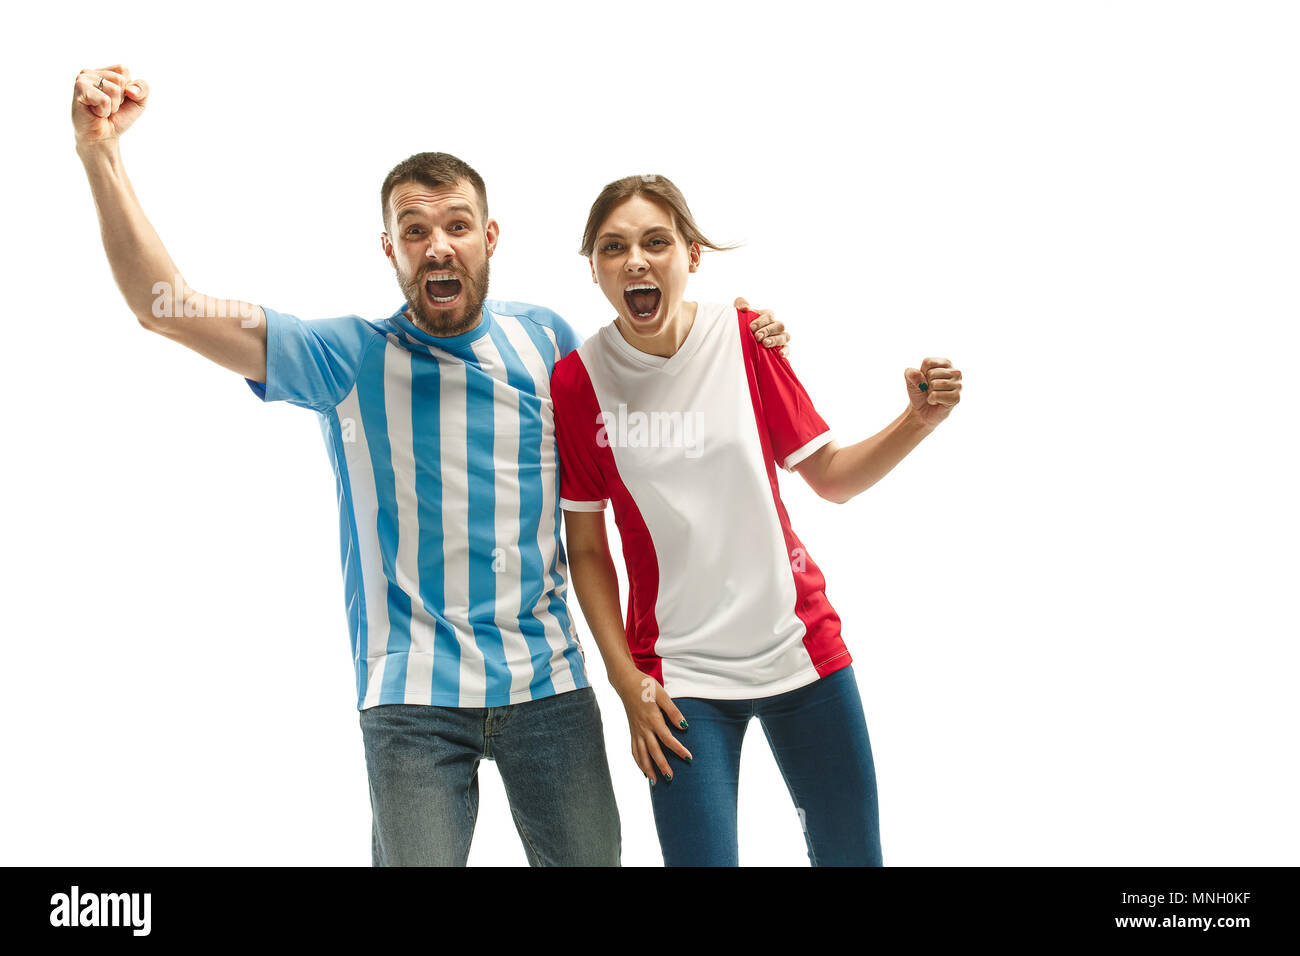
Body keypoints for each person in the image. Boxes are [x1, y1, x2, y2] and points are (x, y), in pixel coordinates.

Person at [70, 65, 792, 866]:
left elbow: (652, 373)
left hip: (546, 684)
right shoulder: (345, 357)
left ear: (489, 238)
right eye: (415, 230)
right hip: (412, 697)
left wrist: (750, 333)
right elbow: (161, 305)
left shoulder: (546, 339)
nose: (436, 244)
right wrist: (100, 154)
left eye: (455, 225)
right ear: (391, 249)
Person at [551, 174, 962, 866]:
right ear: (592, 267)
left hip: (798, 650)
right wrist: (627, 682)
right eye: (613, 247)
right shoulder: (577, 380)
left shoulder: (746, 339)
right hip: (677, 679)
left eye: (656, 241)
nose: (636, 261)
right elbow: (587, 550)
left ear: (691, 256)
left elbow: (830, 477)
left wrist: (917, 421)